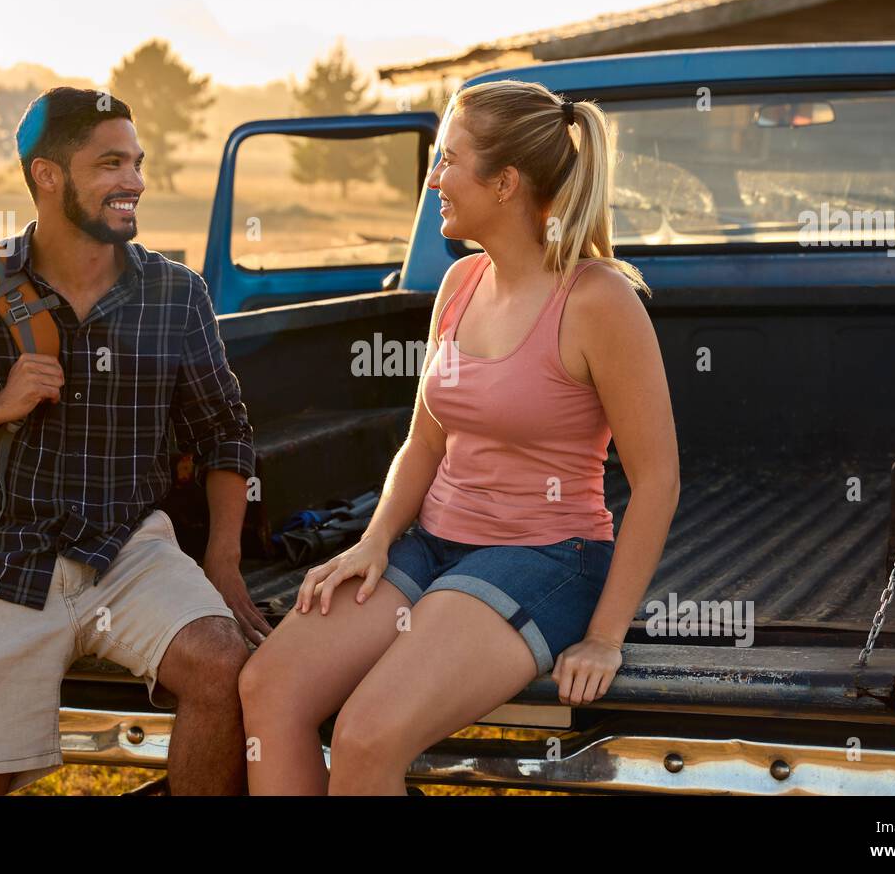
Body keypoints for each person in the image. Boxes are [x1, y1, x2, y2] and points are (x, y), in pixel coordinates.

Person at [239, 79, 681, 795]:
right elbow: (424, 441)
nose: (434, 178)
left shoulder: (599, 299)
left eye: (449, 160)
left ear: (505, 183)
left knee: (366, 736)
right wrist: (376, 538)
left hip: (545, 556)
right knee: (269, 687)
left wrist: (605, 634)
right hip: (433, 544)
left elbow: (658, 478)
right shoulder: (461, 283)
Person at [0, 87, 270, 795]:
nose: (133, 181)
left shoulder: (176, 293)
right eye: (110, 163)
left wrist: (223, 564)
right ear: (48, 175)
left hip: (131, 550)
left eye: (136, 162)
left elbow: (226, 431)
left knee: (222, 664)